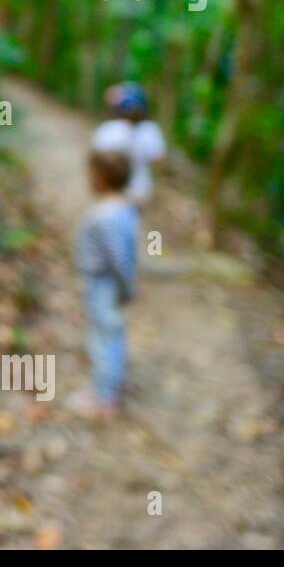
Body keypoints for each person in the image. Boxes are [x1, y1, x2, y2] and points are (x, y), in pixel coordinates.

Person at [72, 149, 139, 418]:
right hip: (111, 284)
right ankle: (113, 383)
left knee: (102, 338)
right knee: (113, 335)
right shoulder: (126, 210)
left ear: (100, 177)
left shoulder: (104, 215)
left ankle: (103, 397)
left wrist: (125, 286)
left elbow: (118, 257)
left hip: (104, 285)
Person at [91, 82, 165, 208]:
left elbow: (96, 160)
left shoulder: (108, 129)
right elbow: (158, 162)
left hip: (113, 191)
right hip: (137, 191)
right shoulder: (151, 131)